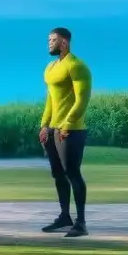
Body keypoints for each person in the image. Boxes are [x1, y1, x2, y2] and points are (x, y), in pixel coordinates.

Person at [38, 27, 92, 238]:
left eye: (53, 40)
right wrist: (45, 125)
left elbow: (82, 99)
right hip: (53, 129)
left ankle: (81, 222)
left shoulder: (77, 66)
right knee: (58, 175)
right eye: (48, 39)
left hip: (71, 130)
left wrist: (68, 123)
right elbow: (51, 99)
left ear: (64, 43)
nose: (49, 43)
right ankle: (64, 217)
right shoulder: (50, 68)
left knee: (73, 173)